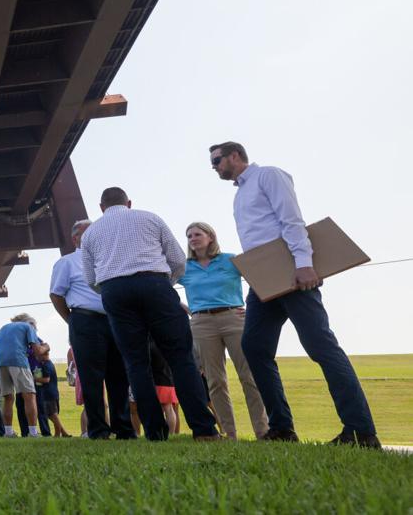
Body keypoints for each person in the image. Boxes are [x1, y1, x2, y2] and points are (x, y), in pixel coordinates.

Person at [210, 142, 380, 448]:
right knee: (254, 347)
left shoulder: (268, 176)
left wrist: (304, 264)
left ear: (235, 155)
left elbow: (291, 220)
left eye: (217, 160)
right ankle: (282, 428)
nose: (215, 167)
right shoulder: (239, 196)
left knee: (320, 346)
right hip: (265, 282)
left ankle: (360, 431)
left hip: (293, 272)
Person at [79, 187, 219, 441]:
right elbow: (178, 259)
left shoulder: (90, 234)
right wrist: (166, 283)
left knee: (135, 363)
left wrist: (111, 290)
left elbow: (91, 278)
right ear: (129, 203)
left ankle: (154, 431)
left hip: (114, 290)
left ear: (101, 207)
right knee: (180, 357)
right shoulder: (149, 218)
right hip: (154, 284)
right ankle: (203, 429)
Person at [179, 220, 269, 440]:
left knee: (248, 376)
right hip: (201, 323)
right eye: (189, 236)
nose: (192, 239)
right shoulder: (184, 267)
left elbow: (260, 278)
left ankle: (264, 431)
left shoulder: (230, 260)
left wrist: (249, 307)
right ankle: (229, 433)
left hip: (234, 318)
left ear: (210, 236)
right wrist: (187, 309)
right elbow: (163, 289)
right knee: (215, 381)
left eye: (197, 234)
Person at [50, 219, 136, 440]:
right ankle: (98, 429)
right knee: (91, 377)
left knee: (119, 376)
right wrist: (72, 320)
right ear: (75, 239)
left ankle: (124, 428)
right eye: (86, 233)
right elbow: (56, 294)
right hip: (85, 320)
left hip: (114, 320)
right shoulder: (67, 262)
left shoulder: (111, 258)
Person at [0, 314, 43, 437]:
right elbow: (37, 351)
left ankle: (8, 432)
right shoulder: (27, 327)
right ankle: (33, 432)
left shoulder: (3, 328)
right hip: (18, 361)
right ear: (32, 324)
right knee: (29, 396)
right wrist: (46, 347)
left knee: (8, 398)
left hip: (0, 363)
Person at [33, 343, 69, 437]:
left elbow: (46, 379)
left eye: (38, 355)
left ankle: (57, 434)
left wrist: (34, 379)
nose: (36, 357)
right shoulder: (48, 364)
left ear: (44, 354)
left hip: (49, 394)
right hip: (50, 393)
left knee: (53, 415)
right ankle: (64, 433)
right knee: (51, 414)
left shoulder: (46, 365)